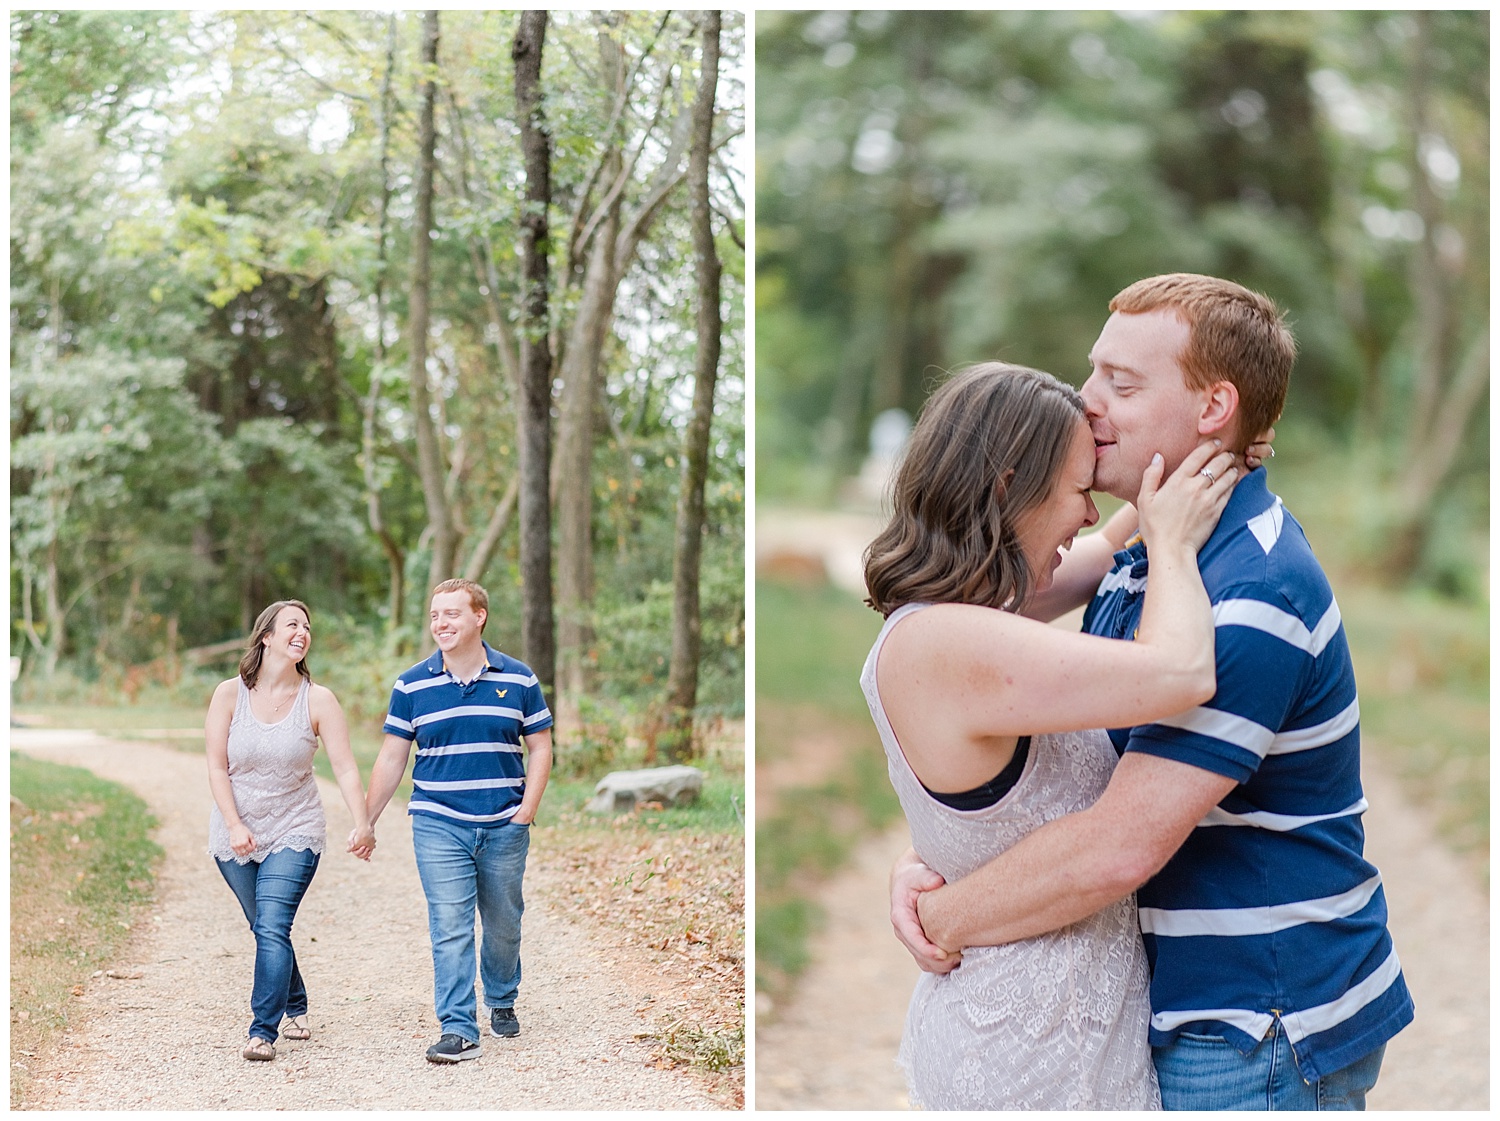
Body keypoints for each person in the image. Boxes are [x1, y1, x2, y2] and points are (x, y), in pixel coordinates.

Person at [890, 274, 1414, 1110]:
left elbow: (1117, 845)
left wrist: (945, 916)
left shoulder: (1250, 588)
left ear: (1214, 408)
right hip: (1188, 999)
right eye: (1094, 371)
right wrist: (943, 845)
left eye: (1122, 385)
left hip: (1255, 1021)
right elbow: (976, 640)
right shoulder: (1156, 547)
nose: (1087, 402)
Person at [861, 362, 1240, 1109]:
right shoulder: (957, 644)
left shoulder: (955, 620)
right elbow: (1181, 671)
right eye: (1077, 490)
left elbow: (1097, 553)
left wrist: (1188, 456)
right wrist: (1171, 545)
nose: (1088, 514)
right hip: (1032, 1054)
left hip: (1045, 1029)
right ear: (1008, 487)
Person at [366, 577, 554, 1064]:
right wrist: (367, 819)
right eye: (434, 615)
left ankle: (502, 998)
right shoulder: (412, 684)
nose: (440, 624)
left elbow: (540, 747)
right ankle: (458, 1026)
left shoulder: (519, 679)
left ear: (478, 617)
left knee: (503, 922)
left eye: (451, 614)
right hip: (437, 821)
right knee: (449, 923)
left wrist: (526, 810)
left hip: (503, 822)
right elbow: (392, 757)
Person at [206, 599, 376, 1063]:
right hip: (235, 828)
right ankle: (296, 1002)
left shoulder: (318, 699)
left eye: (306, 626)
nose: (302, 632)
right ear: (266, 637)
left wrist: (363, 821)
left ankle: (262, 1030)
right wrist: (235, 824)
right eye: (291, 625)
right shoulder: (228, 694)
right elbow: (217, 768)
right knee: (264, 927)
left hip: (294, 828)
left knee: (274, 923)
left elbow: (343, 767)